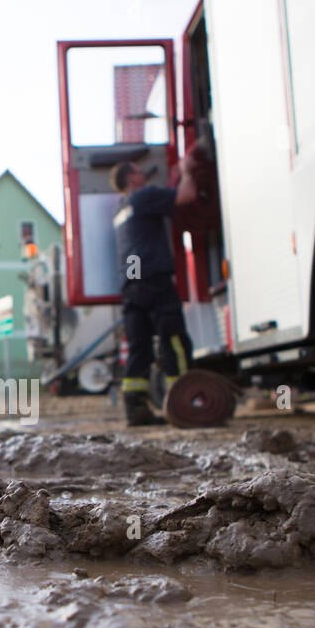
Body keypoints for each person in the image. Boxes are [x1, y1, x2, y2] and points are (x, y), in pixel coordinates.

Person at [109, 147, 205, 426]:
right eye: (139, 171)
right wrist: (186, 171)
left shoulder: (120, 209)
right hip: (152, 277)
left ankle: (135, 411)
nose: (144, 174)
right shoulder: (144, 197)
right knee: (173, 340)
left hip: (131, 282)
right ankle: (188, 404)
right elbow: (186, 196)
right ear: (131, 179)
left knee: (139, 348)